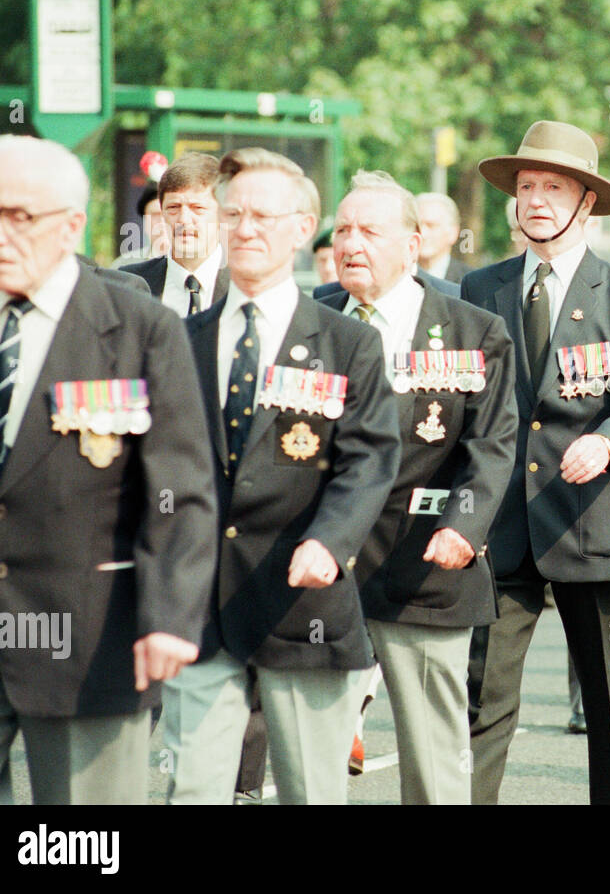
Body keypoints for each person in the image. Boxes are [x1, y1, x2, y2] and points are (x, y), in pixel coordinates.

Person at [0, 134, 217, 804]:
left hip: (88, 635)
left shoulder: (137, 327)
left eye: (18, 217)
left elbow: (181, 488)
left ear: (73, 226)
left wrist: (169, 613)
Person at [161, 148, 402, 804]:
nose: (244, 229)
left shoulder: (347, 343)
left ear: (301, 229)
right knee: (193, 789)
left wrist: (331, 539)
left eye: (262, 216)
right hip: (202, 610)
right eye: (232, 213)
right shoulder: (179, 339)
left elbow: (370, 456)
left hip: (305, 609)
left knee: (312, 793)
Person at [462, 121, 610, 805]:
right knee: (483, 699)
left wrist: (609, 442)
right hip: (502, 530)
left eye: (555, 186)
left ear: (587, 203)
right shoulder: (480, 287)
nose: (538, 199)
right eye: (527, 186)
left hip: (594, 521)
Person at [319, 170, 517, 803]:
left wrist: (464, 525)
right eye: (343, 229)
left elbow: (491, 444)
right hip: (319, 564)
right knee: (310, 748)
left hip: (425, 556)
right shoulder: (308, 318)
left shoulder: (471, 330)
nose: (351, 243)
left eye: (370, 231)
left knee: (433, 752)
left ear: (411, 244)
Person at [123, 152, 230, 314]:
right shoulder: (129, 285)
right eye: (173, 208)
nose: (184, 220)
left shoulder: (247, 284)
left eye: (197, 208)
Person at [416, 192, 472, 284]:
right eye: (417, 226)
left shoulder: (471, 282)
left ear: (453, 233)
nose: (422, 233)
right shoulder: (396, 278)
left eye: (431, 225)